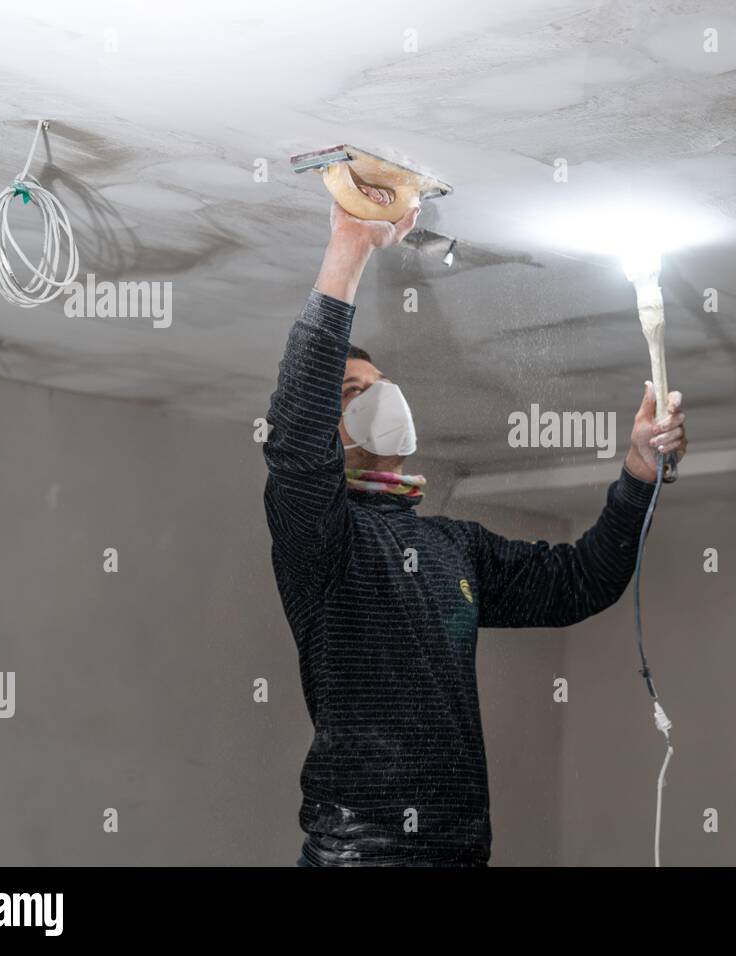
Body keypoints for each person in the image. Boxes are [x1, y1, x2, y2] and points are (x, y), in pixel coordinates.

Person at [264, 200, 689, 866]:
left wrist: (638, 471)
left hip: (460, 850)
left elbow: (581, 582)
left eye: (383, 383)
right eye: (352, 391)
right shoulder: (321, 541)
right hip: (359, 851)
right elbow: (294, 436)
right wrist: (350, 246)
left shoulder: (452, 548)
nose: (382, 397)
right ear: (327, 427)